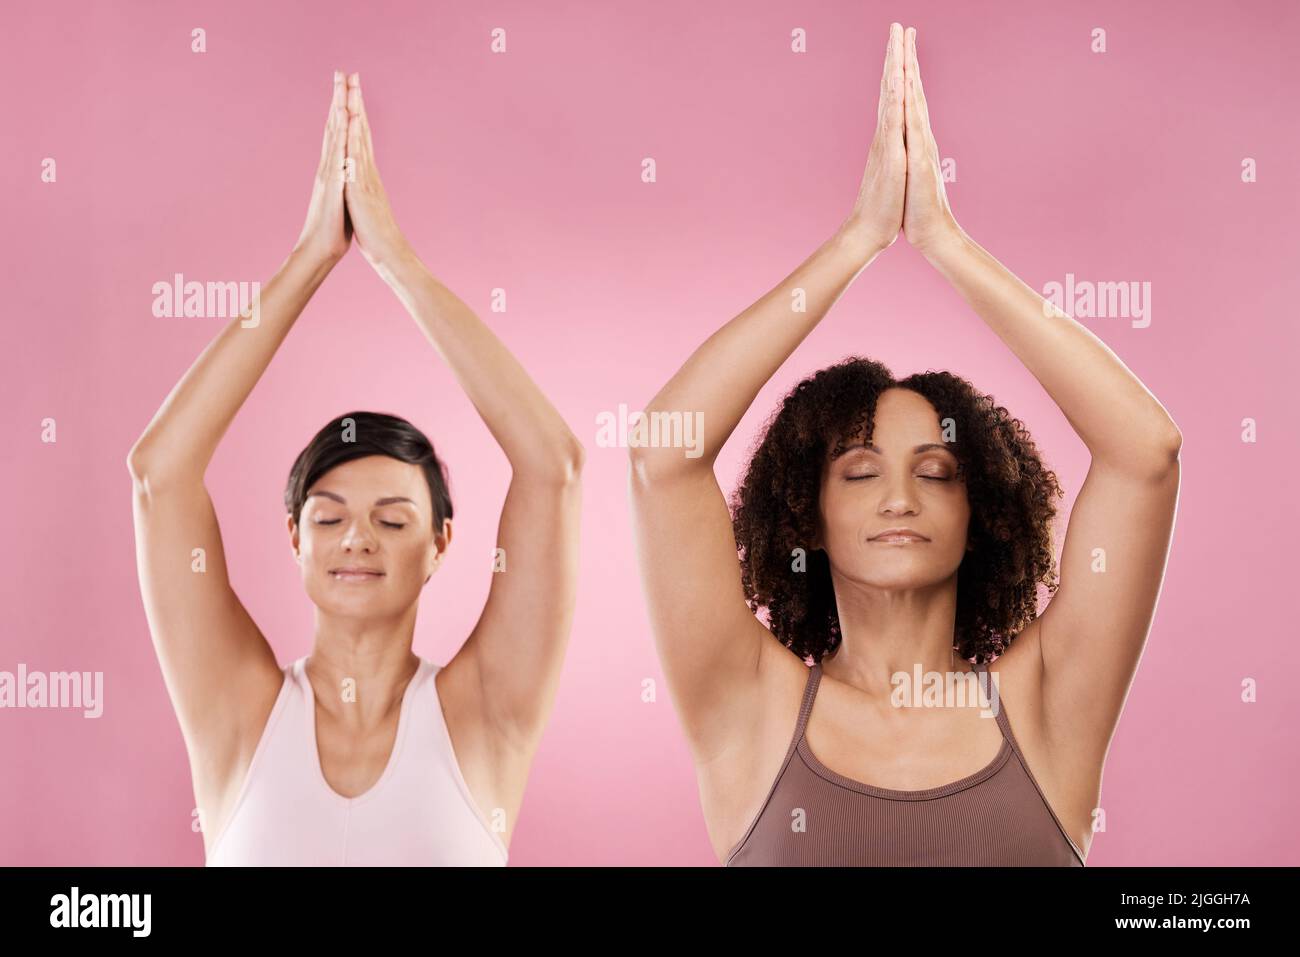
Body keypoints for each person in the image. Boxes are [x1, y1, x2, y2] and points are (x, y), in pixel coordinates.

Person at [628, 23, 1180, 866]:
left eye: (937, 471)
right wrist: (858, 239)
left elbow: (1147, 451)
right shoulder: (752, 705)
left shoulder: (1046, 703)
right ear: (806, 518)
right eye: (859, 470)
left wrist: (943, 244)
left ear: (979, 513)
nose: (900, 496)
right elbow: (663, 454)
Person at [128, 71, 583, 866]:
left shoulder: (482, 713)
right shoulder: (240, 714)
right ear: (295, 539)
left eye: (393, 519)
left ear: (442, 541)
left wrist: (395, 259)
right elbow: (158, 473)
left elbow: (554, 465)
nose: (357, 539)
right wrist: (311, 256)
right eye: (329, 516)